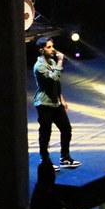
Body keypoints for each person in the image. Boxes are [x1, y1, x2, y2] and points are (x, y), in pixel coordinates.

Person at [33, 37, 81, 170]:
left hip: (56, 103)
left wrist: (62, 99)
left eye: (52, 46)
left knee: (66, 129)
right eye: (49, 47)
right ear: (41, 50)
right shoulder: (39, 66)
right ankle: (45, 160)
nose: (52, 49)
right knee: (45, 133)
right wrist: (60, 61)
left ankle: (65, 157)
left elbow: (56, 83)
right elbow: (54, 77)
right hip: (44, 104)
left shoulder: (52, 62)